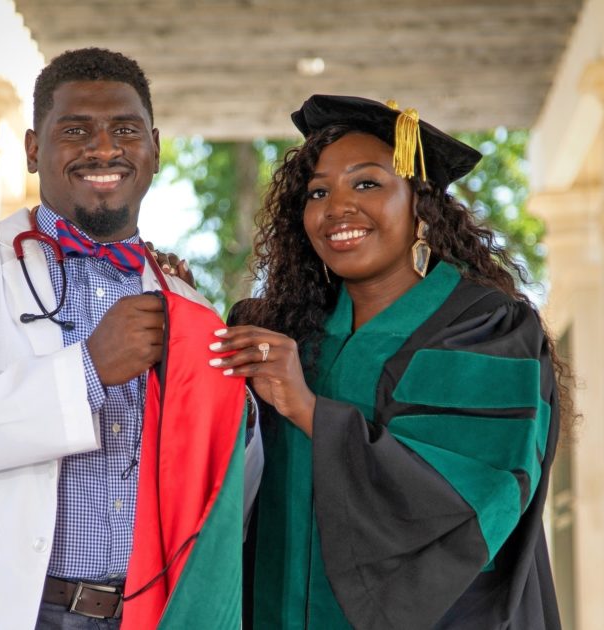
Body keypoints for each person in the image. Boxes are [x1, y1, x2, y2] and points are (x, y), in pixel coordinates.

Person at [0, 48, 261, 629]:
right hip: (11, 611)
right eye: (75, 130)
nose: (104, 149)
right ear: (33, 149)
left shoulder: (187, 303)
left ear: (152, 147)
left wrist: (247, 409)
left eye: (124, 130)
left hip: (149, 613)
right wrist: (86, 371)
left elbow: (222, 492)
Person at [214, 95, 571, 629]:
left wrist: (308, 408)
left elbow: (470, 498)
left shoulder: (487, 328)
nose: (337, 207)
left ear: (419, 204)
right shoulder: (283, 332)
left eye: (367, 183)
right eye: (318, 192)